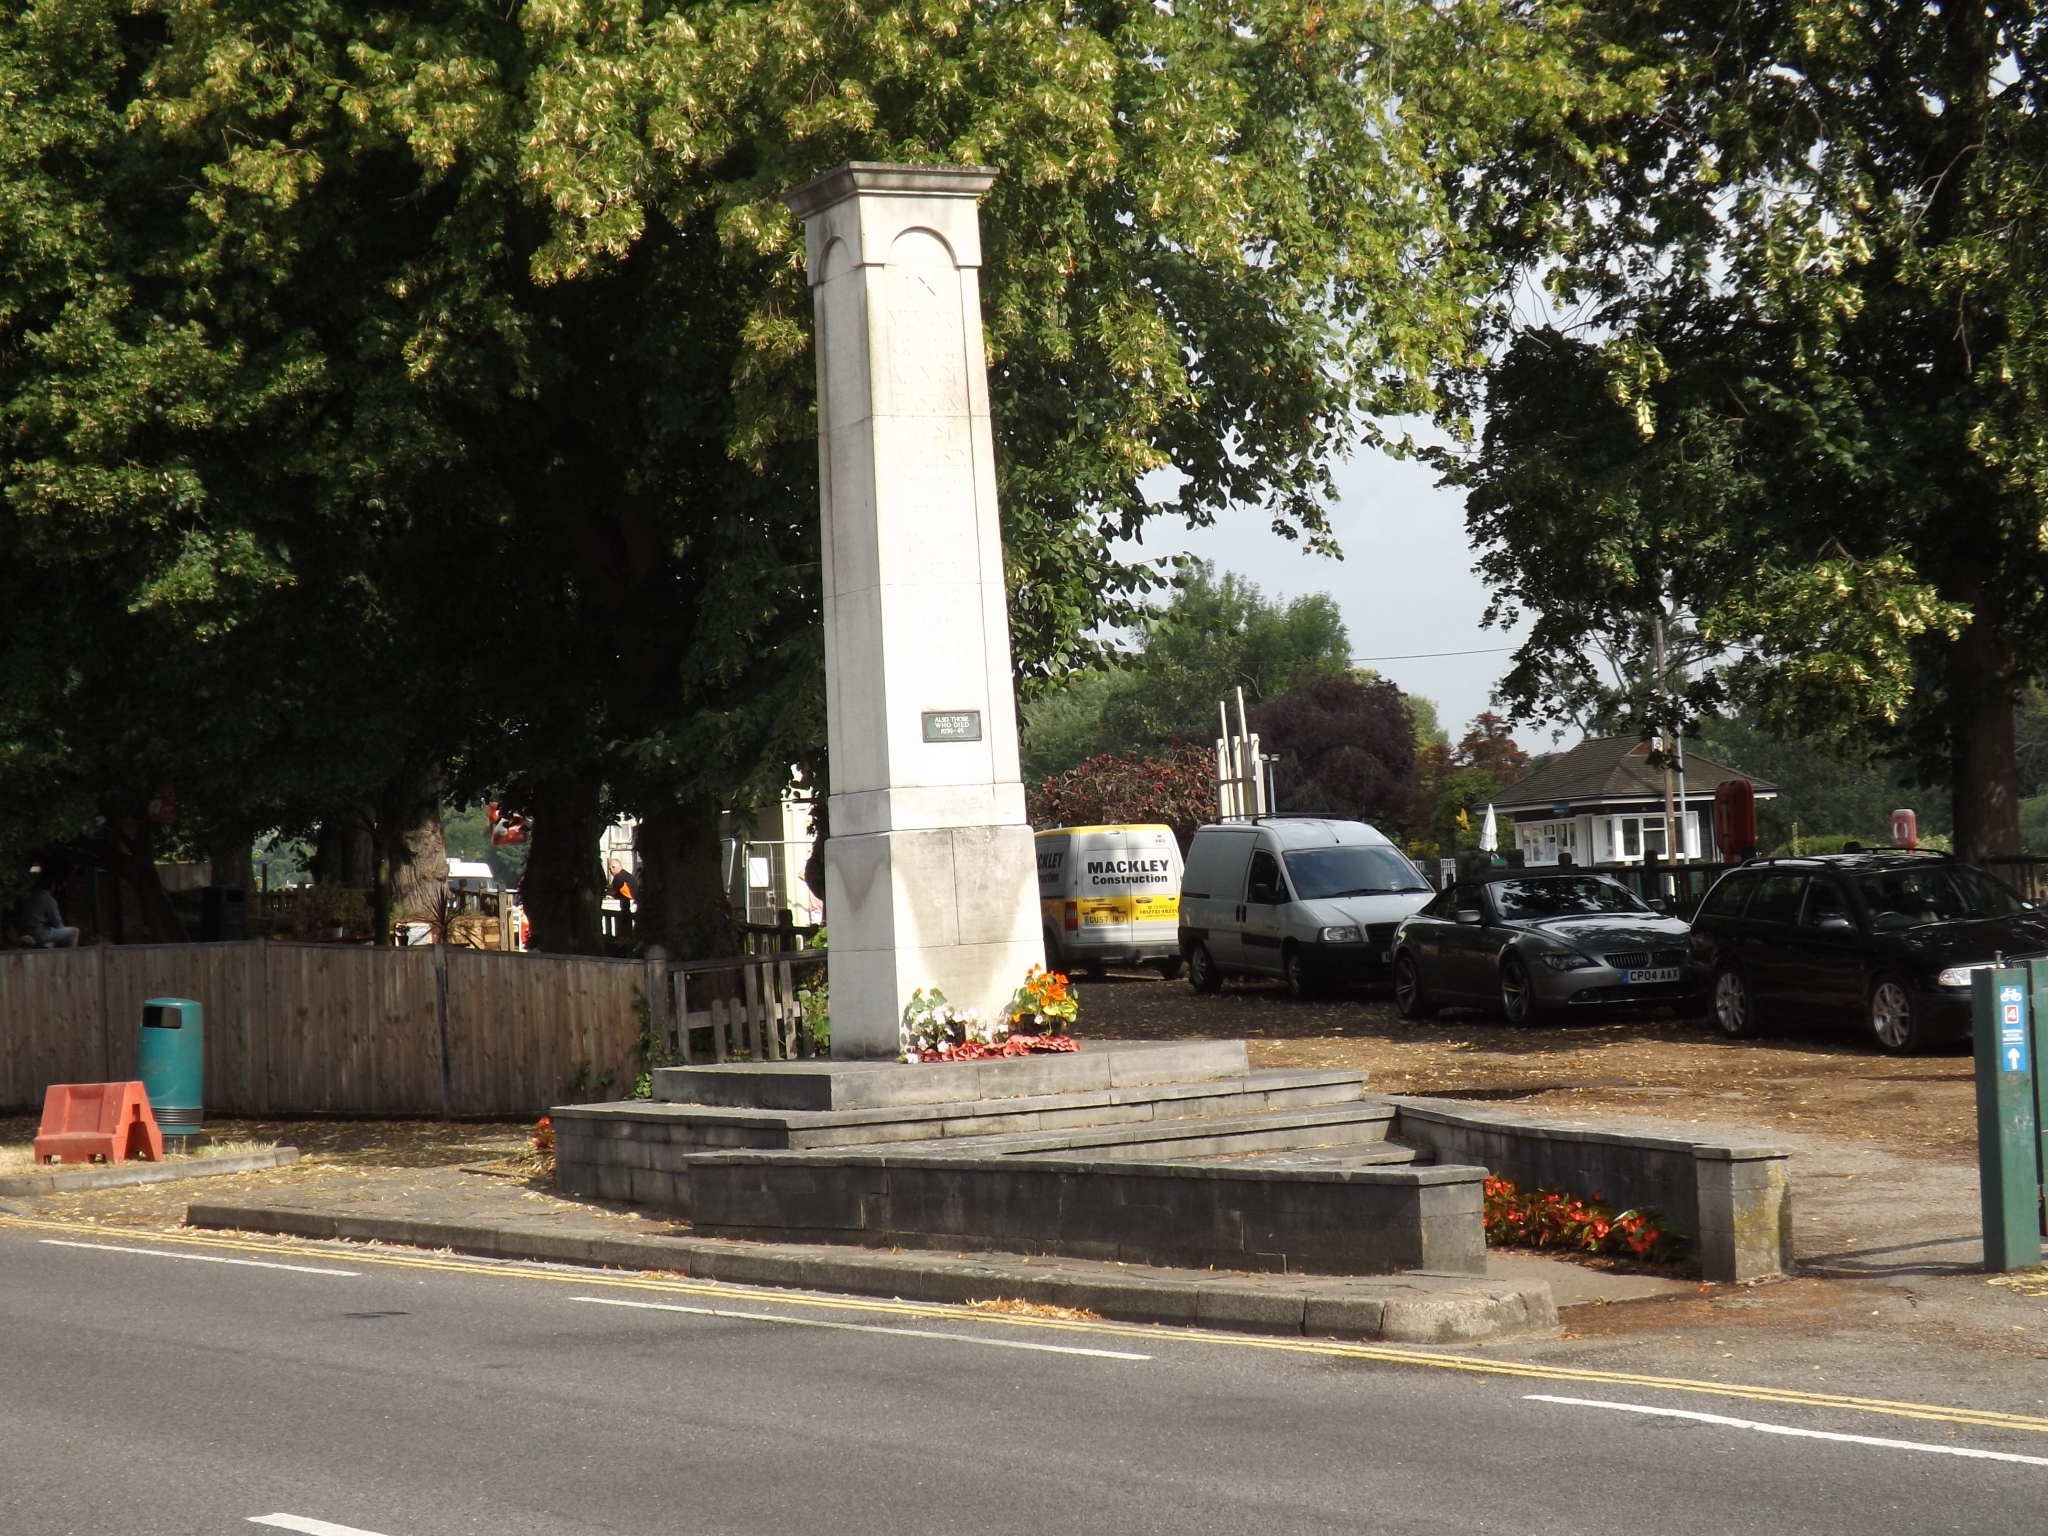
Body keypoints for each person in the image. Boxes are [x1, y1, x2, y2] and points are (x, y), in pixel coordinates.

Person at [23, 870, 79, 948]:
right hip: (41, 934)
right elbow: (58, 925)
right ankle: (70, 956)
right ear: (52, 887)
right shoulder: (48, 899)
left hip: (28, 932)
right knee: (74, 931)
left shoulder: (30, 898)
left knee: (50, 939)